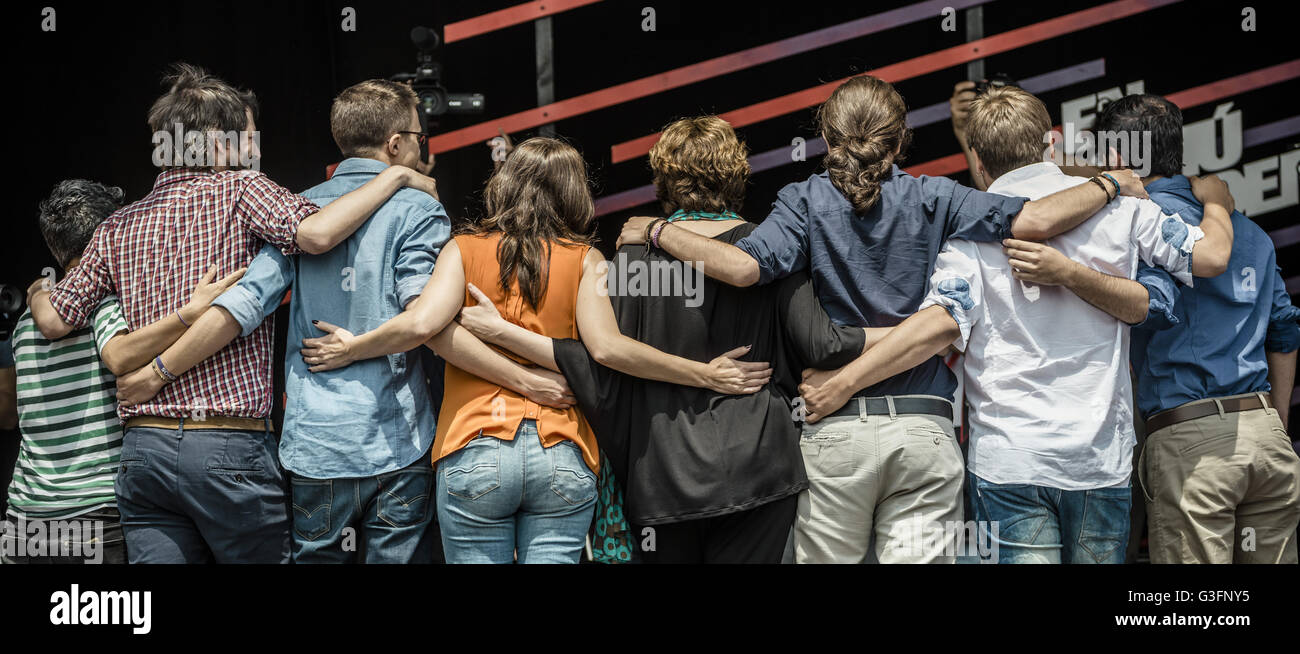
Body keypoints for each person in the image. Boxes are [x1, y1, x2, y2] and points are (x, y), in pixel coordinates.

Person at [618, 75, 1149, 563]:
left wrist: (659, 231)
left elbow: (741, 268)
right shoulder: (935, 195)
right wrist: (1109, 182)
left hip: (834, 431)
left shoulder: (802, 201)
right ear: (899, 143)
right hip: (926, 432)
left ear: (827, 140)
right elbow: (1033, 218)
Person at [25, 64, 439, 564]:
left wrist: (37, 289)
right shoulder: (243, 191)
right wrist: (396, 176)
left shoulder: (118, 224)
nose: (256, 148)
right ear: (218, 143)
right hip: (226, 446)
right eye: (249, 137)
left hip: (144, 451)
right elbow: (316, 235)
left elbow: (52, 321)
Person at [299, 137, 772, 563]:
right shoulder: (587, 258)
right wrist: (704, 374)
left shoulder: (463, 248)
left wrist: (355, 347)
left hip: (475, 446)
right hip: (563, 453)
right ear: (574, 192)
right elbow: (609, 350)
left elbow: (423, 324)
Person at [456, 117, 868, 563]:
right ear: (737, 173)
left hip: (663, 476)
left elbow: (604, 360)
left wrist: (506, 336)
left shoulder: (633, 260)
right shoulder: (766, 250)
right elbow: (820, 344)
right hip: (760, 468)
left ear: (663, 179)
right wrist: (922, 329)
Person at [861, 86, 1234, 564]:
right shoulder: (1126, 208)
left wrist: (841, 376)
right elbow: (1211, 257)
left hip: (1009, 458)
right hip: (1099, 459)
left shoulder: (967, 234)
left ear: (976, 160)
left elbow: (937, 330)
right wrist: (1218, 202)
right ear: (1053, 145)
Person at [1090, 94, 1296, 564]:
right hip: (1264, 436)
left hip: (1190, 441)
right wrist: (1276, 422)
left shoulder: (1126, 228)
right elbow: (1284, 331)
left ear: (1118, 158)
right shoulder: (1252, 233)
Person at [3, 180, 242, 564]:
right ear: (107, 236)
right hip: (95, 514)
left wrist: (37, 292)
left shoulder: (26, 323)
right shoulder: (105, 303)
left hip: (25, 517)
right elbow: (121, 353)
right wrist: (188, 315)